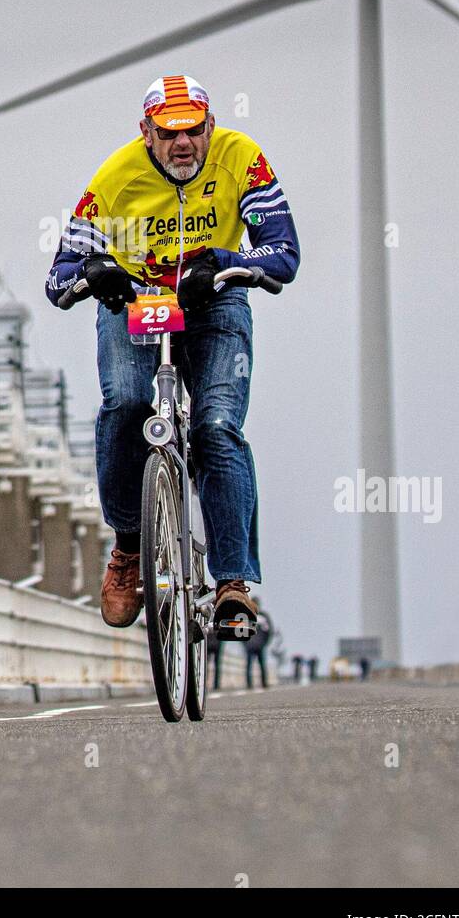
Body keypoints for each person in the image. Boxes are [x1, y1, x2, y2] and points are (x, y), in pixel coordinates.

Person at [46, 73, 300, 636]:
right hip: (136, 301)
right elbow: (58, 277)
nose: (183, 144)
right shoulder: (115, 178)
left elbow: (284, 252)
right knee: (127, 404)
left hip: (214, 299)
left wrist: (227, 260)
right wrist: (95, 271)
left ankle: (233, 583)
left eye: (194, 131)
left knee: (217, 427)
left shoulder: (242, 159)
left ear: (211, 126)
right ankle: (128, 548)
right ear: (146, 133)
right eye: (168, 134)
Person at [243, 598, 273, 688]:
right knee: (251, 665)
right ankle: (250, 683)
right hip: (252, 644)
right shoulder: (246, 616)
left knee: (259, 665)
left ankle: (261, 682)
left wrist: (264, 643)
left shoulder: (262, 617)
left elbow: (268, 631)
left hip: (257, 645)